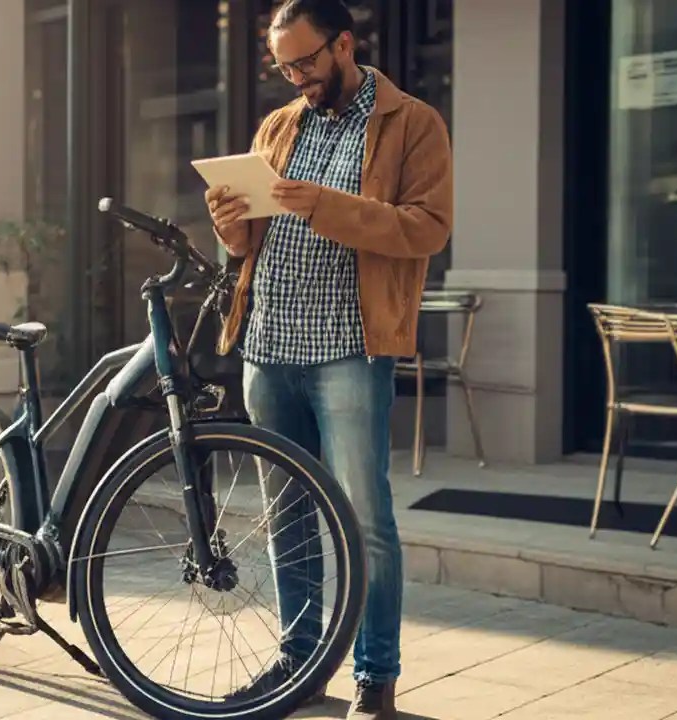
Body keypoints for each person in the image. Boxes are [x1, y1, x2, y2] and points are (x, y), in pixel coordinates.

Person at [205, 0, 452, 717]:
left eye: (306, 62)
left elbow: (426, 229)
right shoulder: (280, 125)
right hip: (269, 345)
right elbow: (249, 243)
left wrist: (325, 205)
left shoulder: (413, 124)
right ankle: (300, 663)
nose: (297, 77)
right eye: (284, 66)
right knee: (286, 512)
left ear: (344, 44)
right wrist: (231, 228)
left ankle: (375, 678)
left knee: (364, 518)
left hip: (349, 349)